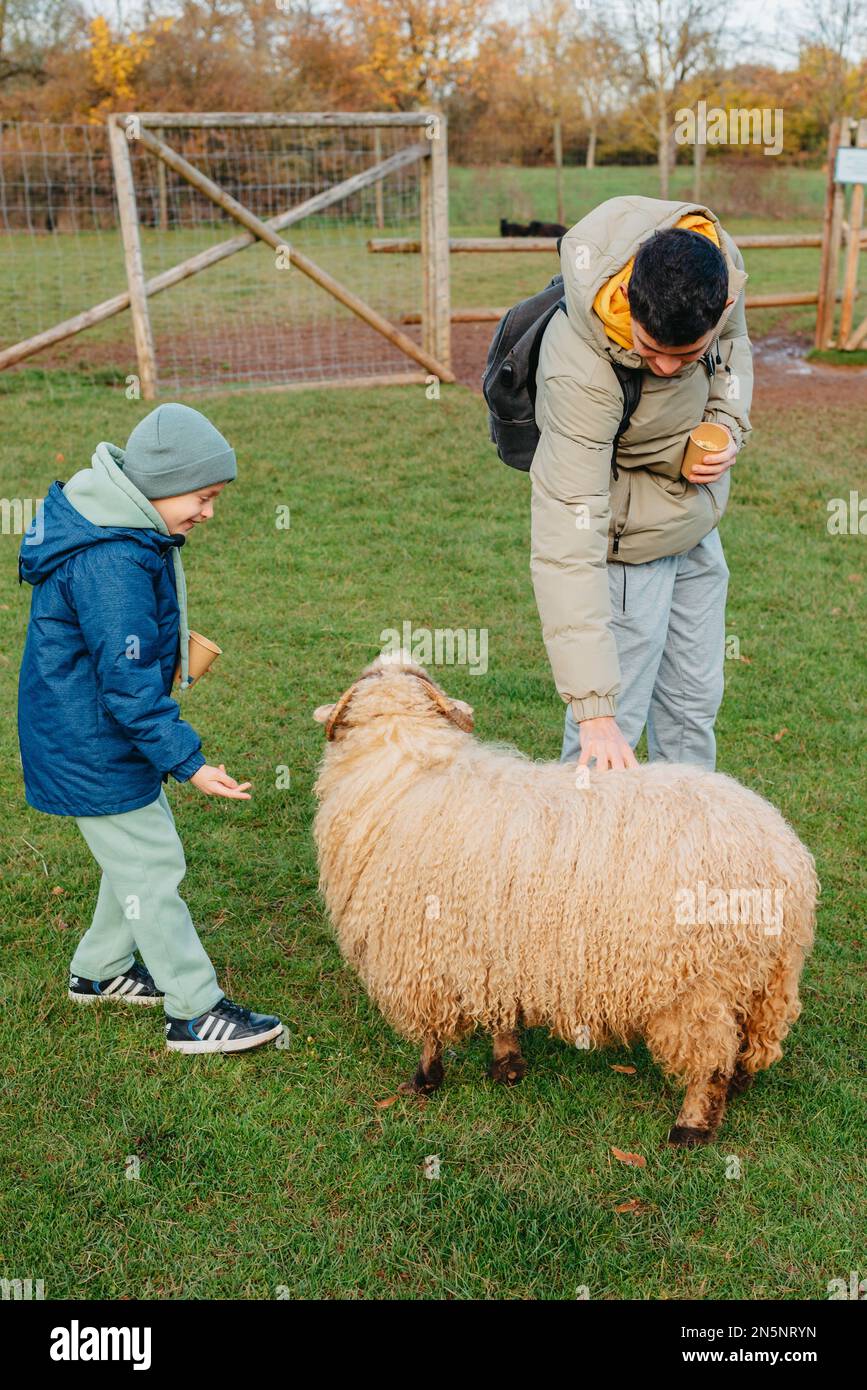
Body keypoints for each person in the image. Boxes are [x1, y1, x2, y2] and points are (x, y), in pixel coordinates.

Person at [17, 403, 281, 1054]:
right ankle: (195, 1011)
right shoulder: (112, 560)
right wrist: (188, 762)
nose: (209, 513)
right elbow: (127, 686)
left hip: (96, 733)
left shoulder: (122, 534)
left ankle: (99, 971)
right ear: (161, 486)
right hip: (93, 741)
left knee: (137, 856)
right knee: (153, 865)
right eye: (203, 496)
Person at [530, 196, 754, 772]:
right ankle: (575, 860)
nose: (665, 369)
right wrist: (594, 708)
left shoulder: (719, 269)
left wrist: (726, 424)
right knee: (609, 741)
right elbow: (566, 536)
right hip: (624, 546)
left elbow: (732, 351)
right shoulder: (578, 370)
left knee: (692, 708)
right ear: (628, 298)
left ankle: (683, 852)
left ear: (723, 302)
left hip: (695, 527)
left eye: (685, 356)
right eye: (650, 350)